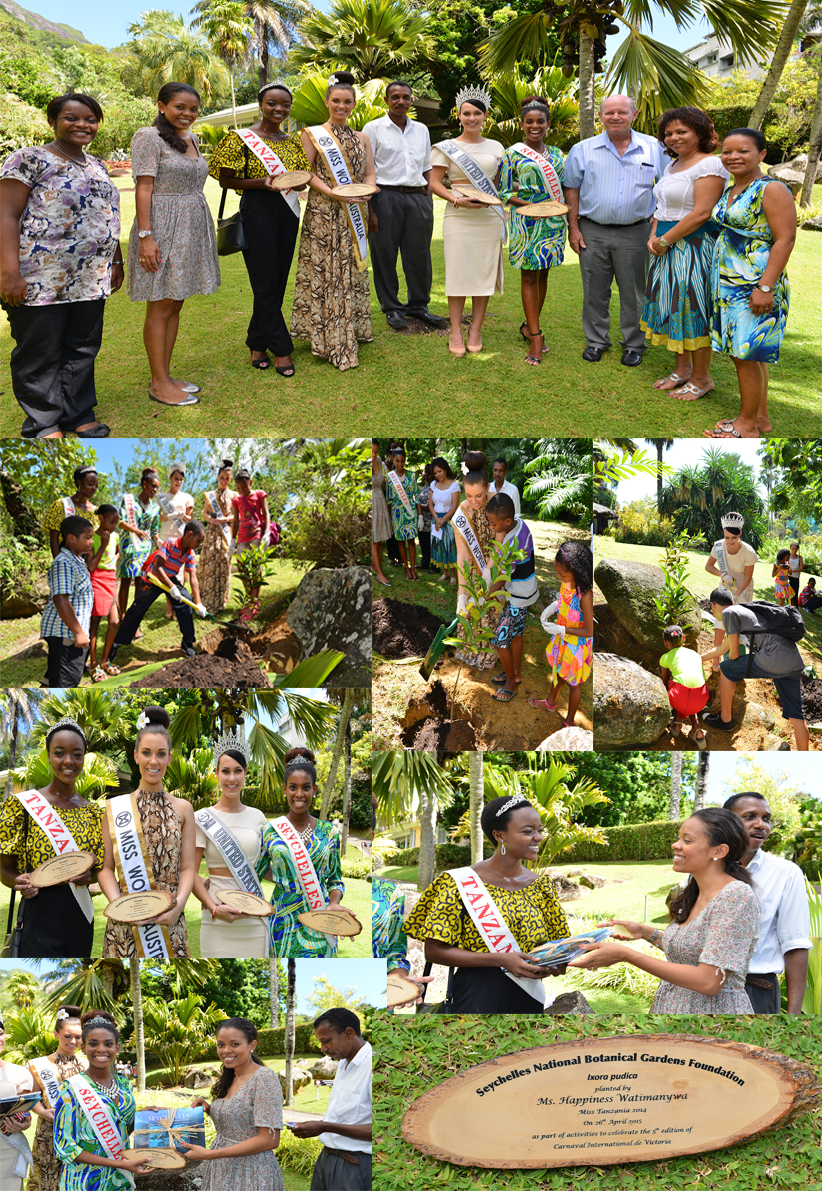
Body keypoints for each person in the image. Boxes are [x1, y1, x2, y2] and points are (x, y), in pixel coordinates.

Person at [0, 92, 120, 439]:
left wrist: (115, 260)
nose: (82, 124)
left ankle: (78, 414)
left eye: (90, 119)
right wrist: (8, 272)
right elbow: (6, 215)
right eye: (71, 117)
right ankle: (44, 423)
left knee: (82, 347)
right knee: (39, 350)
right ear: (52, 121)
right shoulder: (27, 159)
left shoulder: (97, 165)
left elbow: (107, 217)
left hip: (88, 277)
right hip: (38, 277)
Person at [573, 811, 760, 1013]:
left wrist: (625, 955)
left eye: (687, 840)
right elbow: (690, 950)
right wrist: (646, 933)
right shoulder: (695, 891)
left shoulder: (735, 896)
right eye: (679, 838)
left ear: (719, 851)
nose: (675, 845)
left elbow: (709, 982)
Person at [405, 795, 571, 1012]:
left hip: (529, 997)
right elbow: (434, 951)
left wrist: (558, 963)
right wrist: (500, 959)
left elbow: (560, 945)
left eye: (540, 830)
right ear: (499, 835)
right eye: (528, 831)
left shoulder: (542, 887)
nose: (538, 837)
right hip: (476, 998)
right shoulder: (456, 883)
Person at [128, 82, 219, 408]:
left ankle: (165, 375)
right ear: (161, 105)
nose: (188, 114)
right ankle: (158, 383)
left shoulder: (191, 138)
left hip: (190, 226)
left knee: (175, 302)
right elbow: (143, 188)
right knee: (161, 303)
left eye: (193, 108)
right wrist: (146, 237)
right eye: (180, 107)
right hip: (162, 226)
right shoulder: (148, 137)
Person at [210, 83, 310, 377]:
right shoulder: (239, 138)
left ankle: (256, 341)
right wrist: (260, 182)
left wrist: (296, 182)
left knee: (277, 279)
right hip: (258, 209)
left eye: (285, 105)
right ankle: (281, 348)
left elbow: (303, 177)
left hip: (288, 210)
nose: (279, 109)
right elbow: (225, 180)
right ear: (261, 104)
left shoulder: (291, 142)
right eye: (272, 103)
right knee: (264, 278)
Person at [705, 128, 796, 440]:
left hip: (754, 285)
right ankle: (760, 418)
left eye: (743, 151)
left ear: (762, 154)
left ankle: (745, 427)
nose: (733, 157)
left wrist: (766, 287)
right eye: (727, 151)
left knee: (745, 354)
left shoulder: (771, 189)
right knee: (747, 353)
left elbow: (785, 239)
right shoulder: (733, 188)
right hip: (729, 284)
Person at [564, 94, 666, 366]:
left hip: (636, 231)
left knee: (634, 292)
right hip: (592, 230)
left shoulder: (654, 148)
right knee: (594, 289)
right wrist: (573, 228)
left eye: (622, 112)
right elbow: (571, 189)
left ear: (634, 114)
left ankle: (634, 344)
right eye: (609, 113)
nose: (616, 117)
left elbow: (668, 187)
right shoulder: (583, 149)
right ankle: (597, 341)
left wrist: (656, 228)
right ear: (600, 116)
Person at [640, 107, 729, 399]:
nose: (673, 138)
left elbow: (702, 212)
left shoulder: (710, 165)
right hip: (663, 241)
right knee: (672, 305)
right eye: (668, 133)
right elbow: (661, 207)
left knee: (692, 307)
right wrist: (654, 235)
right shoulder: (673, 166)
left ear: (700, 132)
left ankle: (703, 378)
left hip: (692, 245)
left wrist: (665, 240)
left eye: (681, 131)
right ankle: (682, 370)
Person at [291, 71, 376, 371]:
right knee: (328, 269)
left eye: (347, 102)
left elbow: (370, 173)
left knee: (350, 269)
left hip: (355, 210)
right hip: (325, 210)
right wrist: (334, 192)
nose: (342, 106)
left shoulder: (362, 137)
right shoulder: (311, 134)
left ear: (354, 104)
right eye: (336, 101)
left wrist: (368, 191)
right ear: (327, 102)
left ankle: (350, 330)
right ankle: (330, 337)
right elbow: (306, 173)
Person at [0, 718, 103, 957]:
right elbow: (4, 868)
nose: (68, 761)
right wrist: (21, 881)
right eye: (59, 753)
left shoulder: (95, 812)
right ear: (48, 756)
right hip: (38, 913)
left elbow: (100, 868)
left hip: (81, 916)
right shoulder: (23, 806)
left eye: (76, 754)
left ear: (83, 759)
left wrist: (91, 876)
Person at [99, 706, 196, 957]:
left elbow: (187, 868)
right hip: (124, 927)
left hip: (169, 922)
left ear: (170, 758)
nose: (154, 761)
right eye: (146, 753)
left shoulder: (184, 809)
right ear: (136, 756)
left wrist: (179, 906)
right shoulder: (114, 809)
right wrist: (119, 907)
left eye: (161, 754)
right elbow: (106, 868)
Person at [364, 81, 446, 332]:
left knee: (419, 255)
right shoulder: (373, 128)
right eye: (395, 97)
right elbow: (366, 170)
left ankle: (418, 306)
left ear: (412, 100)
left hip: (417, 197)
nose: (401, 101)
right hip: (384, 196)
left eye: (406, 97)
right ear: (387, 100)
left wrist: (428, 197)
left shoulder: (421, 129)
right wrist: (370, 208)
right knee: (385, 254)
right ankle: (392, 308)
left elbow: (426, 166)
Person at [257, 747, 355, 956]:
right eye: (293, 787)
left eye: (306, 787)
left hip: (320, 921)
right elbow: (256, 872)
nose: (299, 794)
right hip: (282, 924)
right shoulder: (270, 830)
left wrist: (334, 903)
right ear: (284, 789)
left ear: (315, 789)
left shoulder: (329, 833)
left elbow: (335, 879)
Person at [429, 87, 505, 357]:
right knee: (458, 272)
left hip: (487, 217)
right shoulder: (447, 147)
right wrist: (455, 199)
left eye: (477, 113)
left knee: (484, 272)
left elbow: (497, 186)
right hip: (458, 215)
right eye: (466, 113)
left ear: (485, 116)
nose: (472, 118)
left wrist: (492, 201)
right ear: (459, 115)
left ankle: (475, 329)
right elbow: (435, 182)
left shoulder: (496, 147)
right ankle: (456, 331)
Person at [725, 792, 811, 1013]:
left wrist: (793, 1015)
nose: (760, 825)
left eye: (766, 818)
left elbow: (795, 945)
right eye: (750, 816)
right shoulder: (703, 868)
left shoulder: (785, 873)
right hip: (699, 986)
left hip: (756, 992)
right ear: (727, 821)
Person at [499, 96, 567, 365]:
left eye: (540, 121)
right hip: (526, 222)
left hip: (552, 222)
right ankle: (536, 337)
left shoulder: (559, 155)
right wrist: (531, 205)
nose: (535, 126)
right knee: (529, 277)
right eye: (529, 122)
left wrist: (553, 210)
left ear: (548, 123)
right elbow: (504, 191)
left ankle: (529, 326)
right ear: (522, 124)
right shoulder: (511, 153)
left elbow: (565, 187)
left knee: (543, 275)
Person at [700, 586, 809, 749]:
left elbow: (734, 654)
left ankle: (725, 719)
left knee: (727, 668)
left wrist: (730, 662)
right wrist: (697, 659)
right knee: (797, 716)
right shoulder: (743, 612)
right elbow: (723, 648)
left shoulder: (729, 614)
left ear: (713, 604)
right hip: (792, 661)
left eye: (711, 608)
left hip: (773, 658)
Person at [182, 1018, 284, 1190]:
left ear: (252, 1045)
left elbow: (269, 1140)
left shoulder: (264, 1078)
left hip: (251, 1171)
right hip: (221, 1169)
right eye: (220, 1045)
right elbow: (239, 1114)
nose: (226, 1050)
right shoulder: (231, 1077)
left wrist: (211, 1154)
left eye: (234, 1044)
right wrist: (208, 1108)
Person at [53, 1011, 150, 1189]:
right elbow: (64, 1146)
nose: (101, 1050)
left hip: (120, 1180)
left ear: (117, 1048)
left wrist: (143, 1117)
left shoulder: (123, 1084)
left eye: (108, 1044)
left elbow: (122, 1130)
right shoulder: (70, 1089)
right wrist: (120, 1164)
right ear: (83, 1048)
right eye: (93, 1044)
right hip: (85, 1180)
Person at [192, 732, 269, 958]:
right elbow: (190, 872)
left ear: (245, 774)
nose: (231, 778)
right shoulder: (202, 817)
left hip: (253, 917)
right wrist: (214, 908)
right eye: (225, 771)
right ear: (216, 773)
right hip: (216, 916)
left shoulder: (258, 817)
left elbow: (268, 868)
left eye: (238, 771)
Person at [289, 1010, 371, 1191]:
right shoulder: (342, 1063)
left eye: (326, 1041)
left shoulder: (374, 1065)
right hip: (326, 1159)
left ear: (348, 1033)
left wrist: (325, 1127)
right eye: (320, 1042)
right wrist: (319, 1125)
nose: (322, 1048)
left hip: (355, 1165)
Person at [107, 521, 207, 664]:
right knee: (137, 610)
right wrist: (172, 587)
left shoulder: (190, 553)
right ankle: (116, 643)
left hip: (170, 577)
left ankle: (187, 642)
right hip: (153, 578)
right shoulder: (171, 543)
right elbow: (158, 566)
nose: (199, 544)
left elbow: (193, 579)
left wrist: (198, 604)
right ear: (189, 535)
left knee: (186, 604)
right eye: (199, 541)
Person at [529, 540, 593, 728]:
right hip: (562, 640)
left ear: (577, 571)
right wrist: (554, 607)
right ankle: (551, 702)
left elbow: (589, 631)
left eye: (562, 574)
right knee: (558, 670)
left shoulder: (586, 596)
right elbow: (565, 601)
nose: (558, 576)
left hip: (576, 646)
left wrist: (563, 630)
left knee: (574, 683)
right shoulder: (567, 583)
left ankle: (570, 720)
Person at [485, 492, 539, 703]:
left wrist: (488, 596)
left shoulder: (512, 541)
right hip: (526, 592)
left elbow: (503, 576)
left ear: (507, 521)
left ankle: (511, 684)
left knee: (499, 640)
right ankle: (514, 673)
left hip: (517, 597)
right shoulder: (521, 525)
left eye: (493, 523)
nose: (491, 527)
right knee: (516, 634)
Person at [28, 1005, 86, 1191]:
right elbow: (32, 1097)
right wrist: (43, 1112)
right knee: (49, 1179)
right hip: (50, 1131)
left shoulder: (88, 1063)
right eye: (67, 1036)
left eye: (78, 1037)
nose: (73, 1041)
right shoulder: (40, 1065)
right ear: (56, 1034)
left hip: (82, 1130)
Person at [453, 450, 502, 669]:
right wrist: (461, 593)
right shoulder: (461, 514)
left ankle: (486, 656)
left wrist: (488, 577)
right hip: (473, 573)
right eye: (468, 495)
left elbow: (499, 546)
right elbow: (462, 556)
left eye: (479, 495)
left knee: (488, 611)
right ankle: (469, 653)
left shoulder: (498, 505)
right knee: (469, 611)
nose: (474, 501)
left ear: (488, 488)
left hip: (492, 570)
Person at [40, 516, 95, 687]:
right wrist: (78, 633)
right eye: (87, 537)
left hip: (70, 633)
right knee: (66, 683)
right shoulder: (64, 563)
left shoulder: (77, 560)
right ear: (71, 538)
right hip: (67, 634)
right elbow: (60, 598)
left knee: (54, 678)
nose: (91, 541)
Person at [704, 510, 757, 670]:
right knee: (720, 621)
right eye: (727, 537)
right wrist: (722, 574)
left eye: (734, 537)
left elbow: (747, 577)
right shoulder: (718, 547)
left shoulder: (748, 552)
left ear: (740, 533)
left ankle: (735, 659)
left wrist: (737, 595)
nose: (730, 541)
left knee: (738, 623)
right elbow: (708, 566)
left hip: (743, 589)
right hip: (725, 586)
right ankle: (716, 661)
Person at [116, 469, 161, 624]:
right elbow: (120, 521)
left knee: (140, 582)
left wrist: (158, 541)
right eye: (152, 486)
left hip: (143, 549)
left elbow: (154, 530)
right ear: (144, 484)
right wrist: (135, 530)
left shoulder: (155, 508)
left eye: (157, 488)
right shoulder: (128, 500)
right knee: (125, 581)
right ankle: (122, 615)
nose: (154, 490)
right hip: (128, 545)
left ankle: (133, 618)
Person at [86, 504, 122, 681]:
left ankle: (105, 661)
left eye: (116, 522)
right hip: (97, 579)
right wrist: (104, 545)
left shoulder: (115, 535)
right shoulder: (93, 538)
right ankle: (93, 665)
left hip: (111, 579)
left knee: (114, 621)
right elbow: (90, 566)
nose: (114, 526)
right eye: (111, 522)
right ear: (100, 518)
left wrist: (113, 562)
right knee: (94, 624)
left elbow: (117, 553)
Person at [0, 1016, 36, 1191]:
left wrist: (24, 1122)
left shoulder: (19, 1073)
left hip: (7, 1147)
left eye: (0, 1033)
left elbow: (23, 1111)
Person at [658, 624, 708, 747]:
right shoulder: (695, 654)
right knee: (688, 689)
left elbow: (664, 683)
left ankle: (677, 724)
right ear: (684, 638)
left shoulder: (665, 658)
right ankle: (697, 730)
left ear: (665, 643)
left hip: (680, 699)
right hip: (701, 700)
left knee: (673, 681)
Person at [231, 469, 271, 616]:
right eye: (238, 488)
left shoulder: (260, 494)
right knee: (242, 566)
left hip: (257, 534)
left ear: (250, 483)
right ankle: (249, 597)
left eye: (244, 487)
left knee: (255, 566)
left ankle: (253, 603)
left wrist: (267, 532)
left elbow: (266, 513)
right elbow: (236, 521)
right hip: (242, 536)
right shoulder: (236, 500)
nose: (241, 490)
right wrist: (232, 540)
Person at [200, 459, 236, 614]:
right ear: (218, 476)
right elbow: (204, 512)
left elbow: (237, 517)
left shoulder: (234, 495)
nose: (224, 481)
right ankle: (206, 601)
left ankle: (220, 602)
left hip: (226, 534)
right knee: (210, 564)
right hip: (212, 534)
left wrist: (224, 520)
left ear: (231, 479)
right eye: (222, 478)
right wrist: (211, 519)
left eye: (227, 479)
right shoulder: (211, 495)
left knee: (223, 564)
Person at [43, 467, 99, 557]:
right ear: (79, 482)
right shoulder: (62, 504)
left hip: (90, 565)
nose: (94, 489)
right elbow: (54, 538)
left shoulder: (96, 511)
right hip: (67, 560)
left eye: (96, 486)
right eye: (90, 484)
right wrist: (58, 563)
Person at [385, 447, 420, 581]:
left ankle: (413, 568)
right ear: (393, 460)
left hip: (410, 513)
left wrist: (420, 515)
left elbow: (416, 496)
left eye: (402, 461)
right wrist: (389, 518)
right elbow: (389, 498)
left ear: (405, 461)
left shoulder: (412, 475)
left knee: (411, 541)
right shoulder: (389, 477)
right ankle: (406, 567)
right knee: (400, 542)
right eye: (397, 461)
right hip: (397, 514)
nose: (400, 464)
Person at [428, 456, 460, 585]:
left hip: (448, 521)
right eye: (435, 473)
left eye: (439, 471)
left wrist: (442, 520)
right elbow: (430, 503)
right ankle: (445, 572)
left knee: (450, 547)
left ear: (446, 469)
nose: (437, 475)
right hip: (436, 521)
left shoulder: (454, 486)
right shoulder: (433, 484)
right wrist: (436, 518)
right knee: (439, 546)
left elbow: (454, 507)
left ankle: (453, 574)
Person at [371, 440, 392, 587]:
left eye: (376, 452)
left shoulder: (379, 461)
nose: (373, 455)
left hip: (380, 500)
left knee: (379, 539)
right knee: (373, 539)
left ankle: (380, 568)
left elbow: (388, 479)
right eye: (371, 452)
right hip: (370, 502)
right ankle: (379, 573)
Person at [417, 463, 435, 572]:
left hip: (429, 520)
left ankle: (433, 565)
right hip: (422, 519)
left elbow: (430, 506)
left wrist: (417, 505)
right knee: (423, 542)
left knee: (429, 544)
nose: (422, 474)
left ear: (429, 475)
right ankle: (425, 563)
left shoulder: (433, 487)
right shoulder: (425, 486)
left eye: (424, 472)